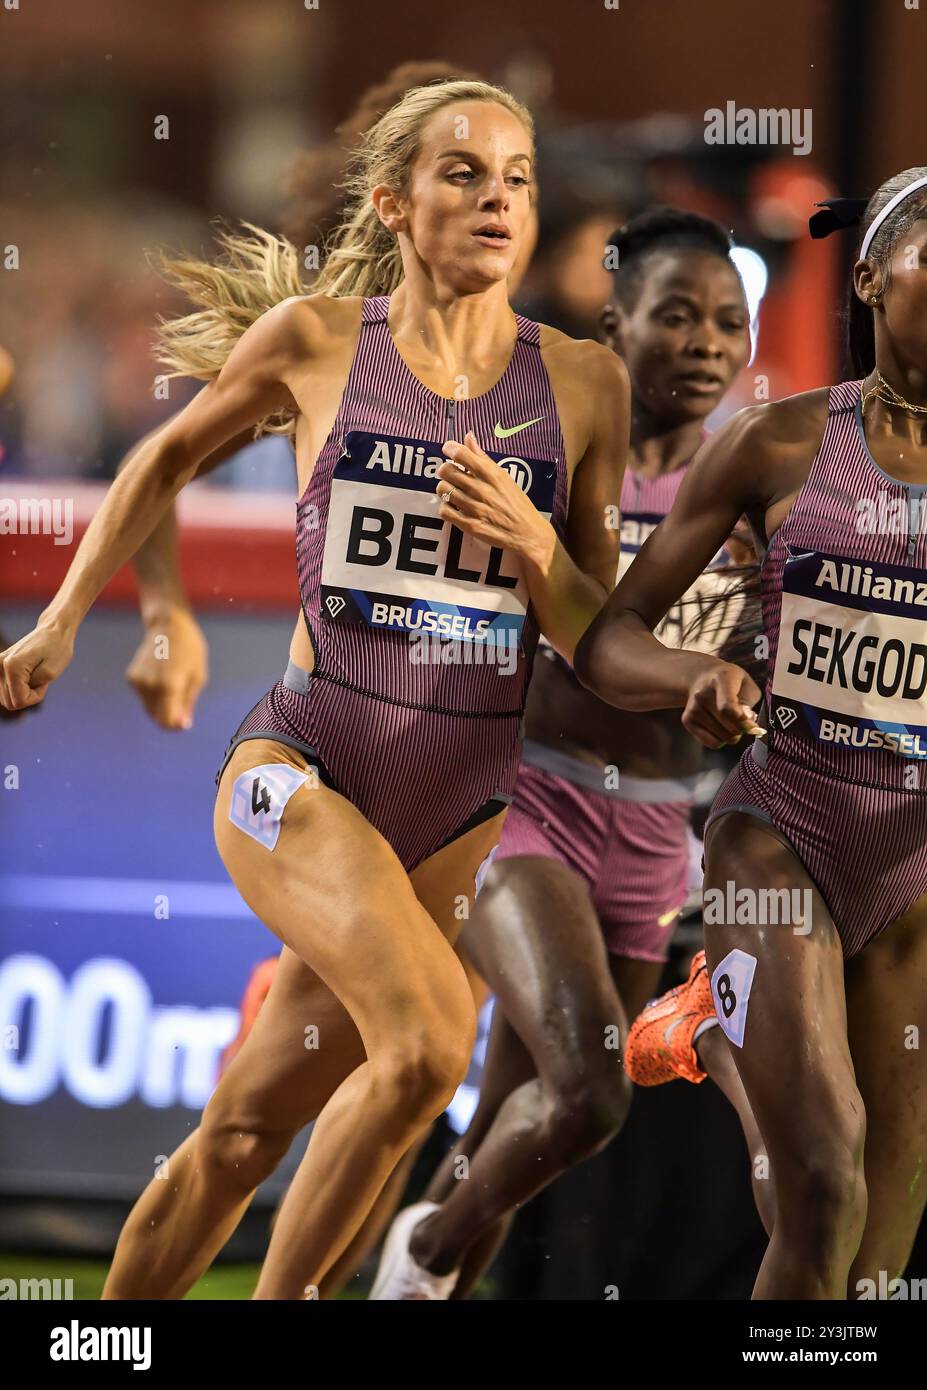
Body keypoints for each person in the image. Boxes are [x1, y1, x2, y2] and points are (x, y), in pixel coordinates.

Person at [0, 78, 628, 1300]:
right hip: (301, 767)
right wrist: (73, 621)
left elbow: (592, 637)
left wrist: (538, 549)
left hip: (457, 812)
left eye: (517, 176)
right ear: (393, 202)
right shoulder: (317, 341)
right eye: (463, 173)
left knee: (243, 1130)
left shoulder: (585, 386)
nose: (497, 198)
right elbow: (160, 459)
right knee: (430, 1041)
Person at [371, 207, 761, 1299]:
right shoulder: (545, 454)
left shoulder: (757, 485)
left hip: (653, 831)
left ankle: (415, 1270)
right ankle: (427, 1252)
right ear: (612, 323)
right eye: (675, 315)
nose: (705, 342)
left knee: (519, 1119)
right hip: (525, 801)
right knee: (591, 1086)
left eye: (730, 322)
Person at [573, 168, 927, 1300]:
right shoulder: (775, 447)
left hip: (915, 873)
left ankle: (718, 1028)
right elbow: (607, 636)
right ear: (870, 278)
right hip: (783, 833)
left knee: (869, 1262)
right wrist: (694, 675)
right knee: (823, 1187)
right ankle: (730, 1008)